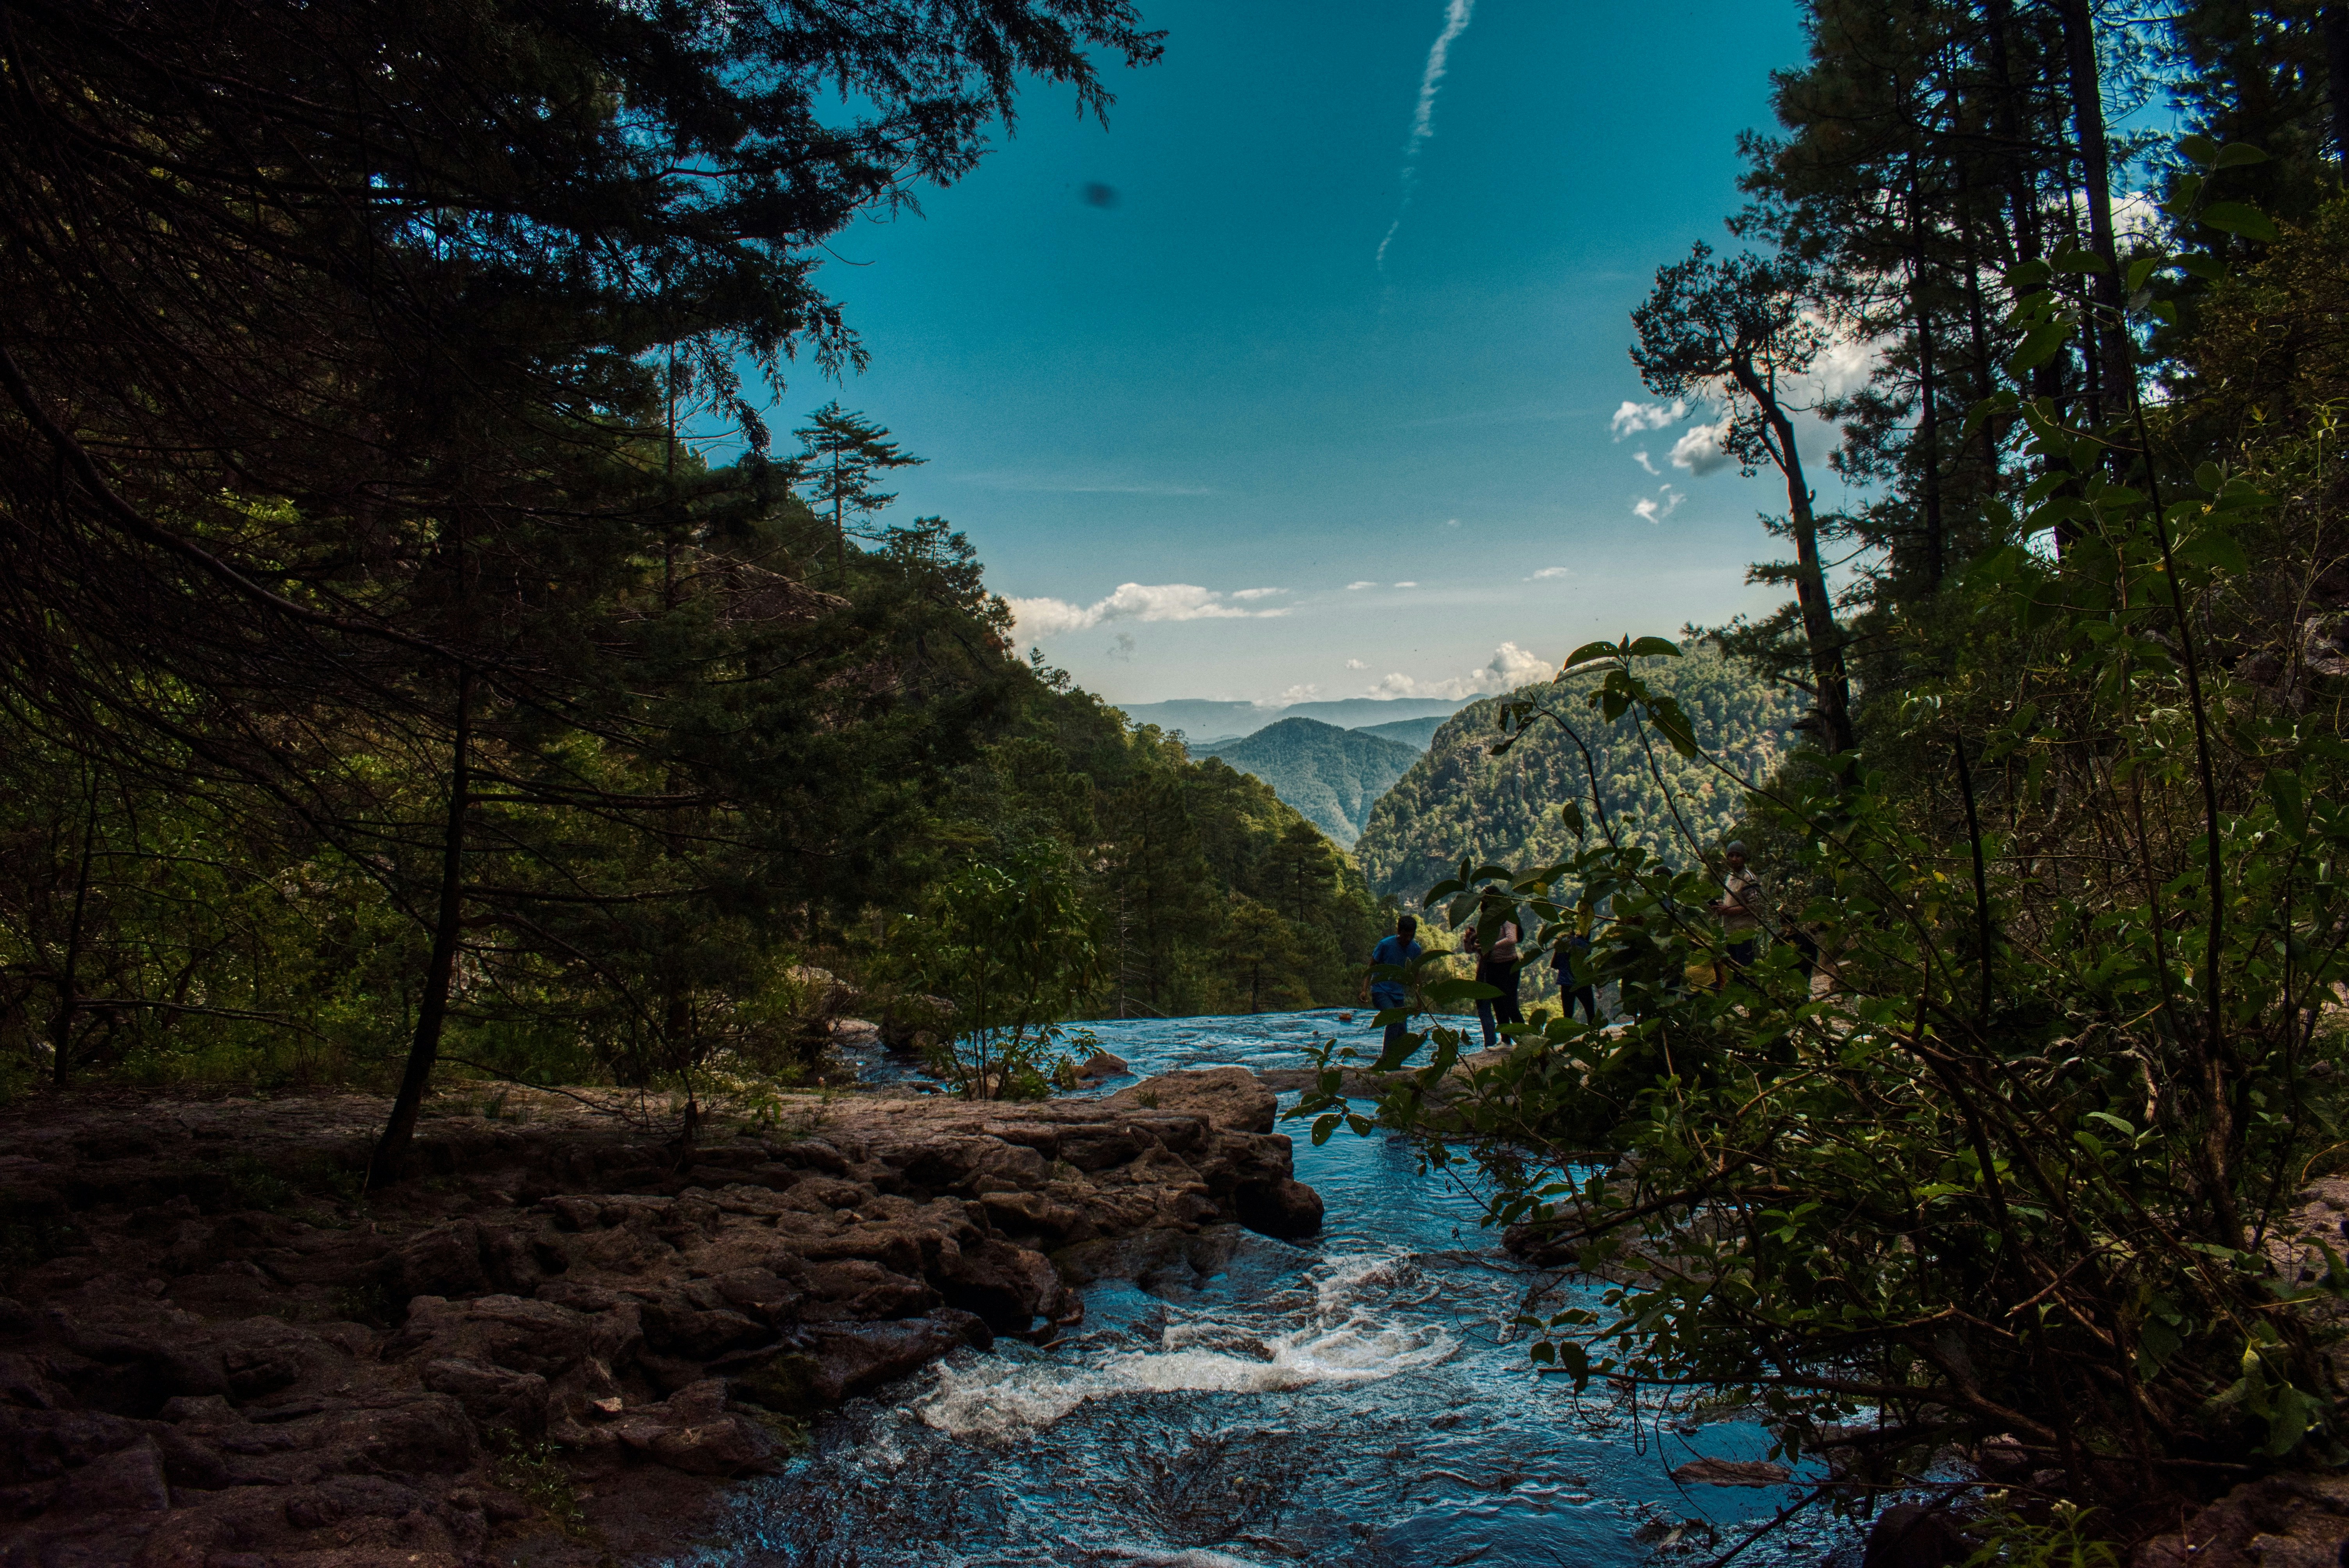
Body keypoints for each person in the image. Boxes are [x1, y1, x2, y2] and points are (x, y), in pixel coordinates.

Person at [1361, 914, 1422, 1060]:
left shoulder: (1415, 949)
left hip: (1398, 995)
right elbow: (1371, 967)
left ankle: (1396, 1061)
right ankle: (1386, 1059)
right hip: (1380, 991)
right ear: (1399, 932)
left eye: (1411, 936)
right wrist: (1364, 990)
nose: (1408, 940)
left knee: (1402, 1031)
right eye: (1405, 936)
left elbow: (1417, 975)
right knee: (1394, 1019)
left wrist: (1420, 1002)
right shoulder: (1385, 945)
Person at [1467, 902, 1524, 1049]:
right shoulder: (1488, 924)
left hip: (1509, 965)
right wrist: (1473, 941)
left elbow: (1512, 939)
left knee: (1510, 1004)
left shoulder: (1507, 920)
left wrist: (1491, 946)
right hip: (1492, 966)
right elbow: (1477, 945)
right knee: (1498, 1004)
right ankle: (1505, 1041)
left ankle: (1525, 1038)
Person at [1712, 840, 1763, 985]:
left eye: (1738, 856)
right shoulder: (1730, 877)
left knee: (1746, 971)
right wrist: (1722, 906)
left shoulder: (1748, 878)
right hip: (1730, 932)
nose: (1735, 859)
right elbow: (1734, 900)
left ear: (1744, 858)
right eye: (1731, 855)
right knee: (1735, 971)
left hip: (1744, 932)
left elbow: (1756, 907)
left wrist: (1730, 910)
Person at [1552, 897, 1600, 1026]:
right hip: (1583, 982)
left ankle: (1566, 1037)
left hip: (1566, 983)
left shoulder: (1563, 943)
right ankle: (1594, 1034)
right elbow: (1588, 965)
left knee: (1568, 1014)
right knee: (1590, 1013)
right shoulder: (1585, 945)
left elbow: (1555, 964)